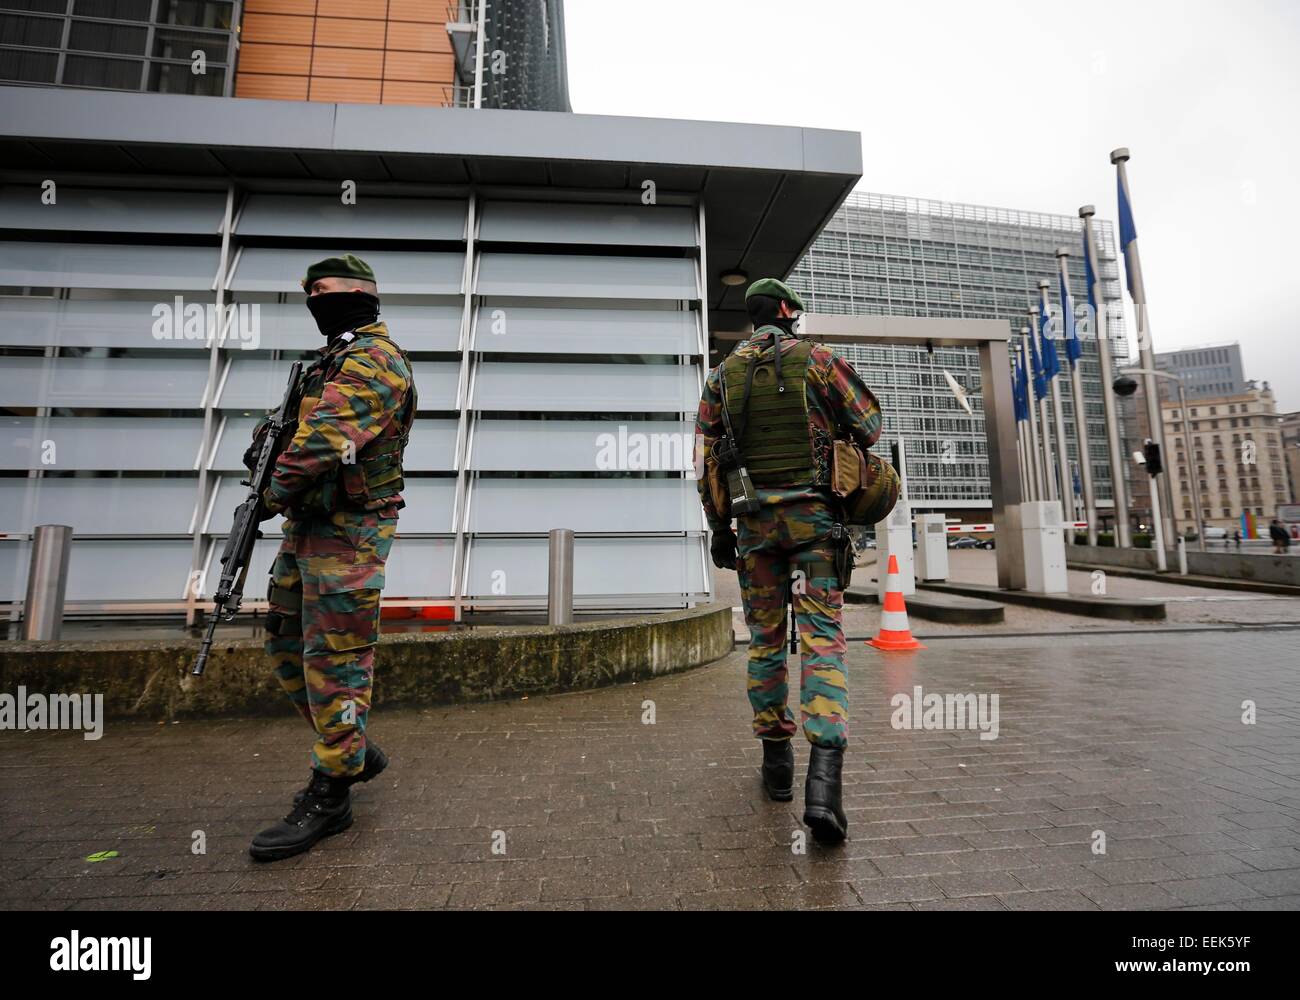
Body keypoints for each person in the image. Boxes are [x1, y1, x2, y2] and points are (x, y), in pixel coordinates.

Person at [695, 277, 891, 845]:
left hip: (755, 533)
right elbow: (871, 426)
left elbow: (705, 459)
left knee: (764, 644)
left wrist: (718, 528)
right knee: (823, 640)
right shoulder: (820, 361)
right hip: (815, 530)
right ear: (785, 311)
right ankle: (823, 790)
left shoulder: (722, 377)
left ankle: (776, 768)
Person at [246, 254, 417, 862]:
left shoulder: (376, 360)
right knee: (285, 637)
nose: (315, 299)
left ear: (360, 295)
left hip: (351, 534)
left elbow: (323, 440)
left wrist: (268, 493)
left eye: (325, 290)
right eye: (310, 292)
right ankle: (350, 746)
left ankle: (332, 792)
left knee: (338, 656)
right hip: (309, 525)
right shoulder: (328, 361)